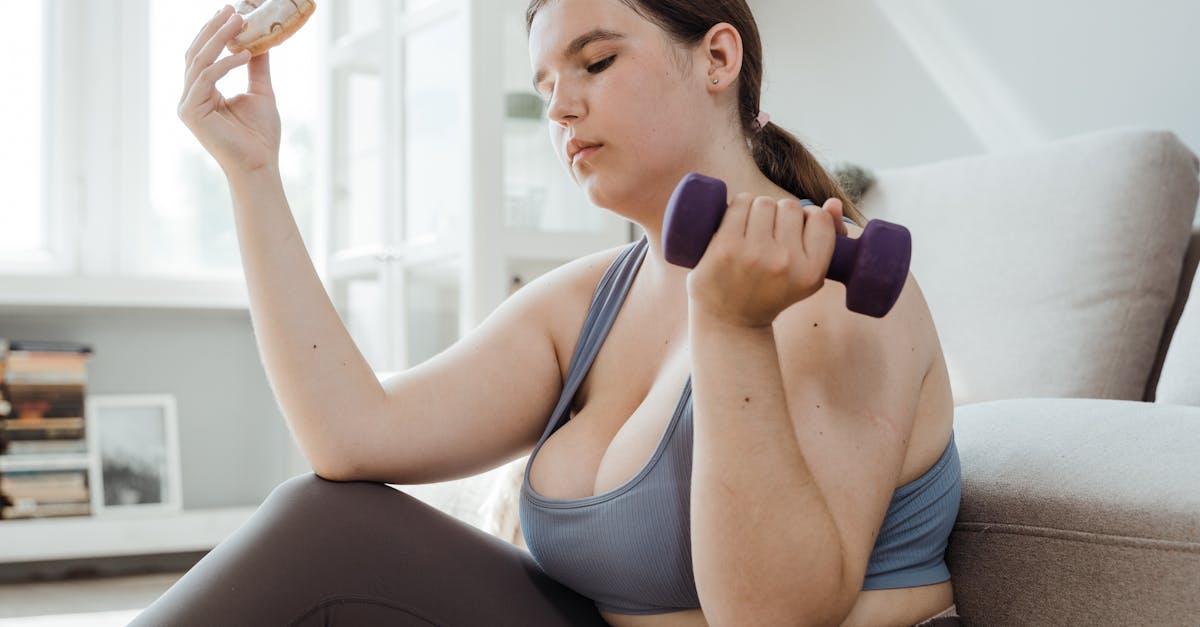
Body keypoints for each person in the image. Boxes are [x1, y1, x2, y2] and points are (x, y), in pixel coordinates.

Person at [139, 0, 961, 625]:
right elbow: (352, 435)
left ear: (716, 58)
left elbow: (776, 618)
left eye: (595, 63)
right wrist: (251, 174)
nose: (561, 107)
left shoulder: (833, 295)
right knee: (324, 518)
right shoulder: (592, 298)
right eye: (544, 89)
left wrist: (730, 327)